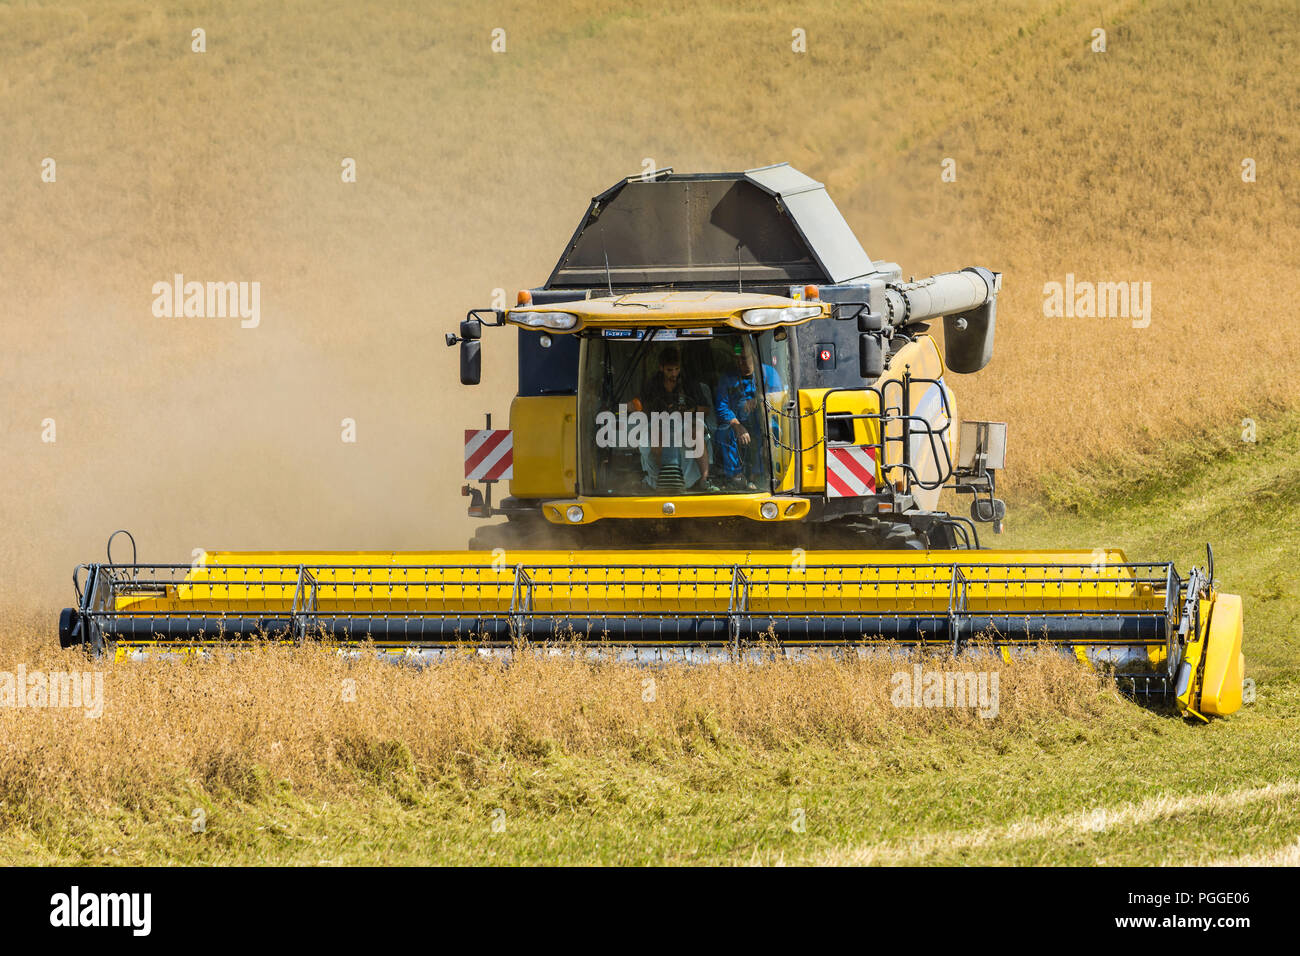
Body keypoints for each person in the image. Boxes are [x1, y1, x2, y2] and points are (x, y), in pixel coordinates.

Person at [634, 346, 715, 491]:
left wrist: (691, 410)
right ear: (661, 368)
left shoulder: (690, 383)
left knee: (696, 433)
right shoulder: (652, 384)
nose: (674, 373)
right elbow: (641, 405)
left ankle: (704, 479)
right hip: (660, 421)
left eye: (677, 369)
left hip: (687, 421)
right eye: (669, 370)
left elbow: (706, 409)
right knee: (656, 437)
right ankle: (664, 478)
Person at [715, 346, 764, 490]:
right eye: (737, 359)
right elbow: (721, 407)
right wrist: (736, 425)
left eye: (743, 359)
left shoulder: (767, 373)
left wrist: (760, 399)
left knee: (771, 431)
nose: (740, 363)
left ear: (754, 357)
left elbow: (780, 397)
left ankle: (758, 476)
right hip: (735, 421)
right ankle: (736, 477)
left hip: (760, 420)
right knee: (724, 433)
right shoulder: (727, 378)